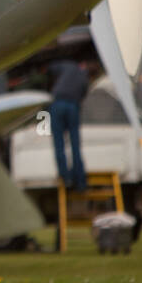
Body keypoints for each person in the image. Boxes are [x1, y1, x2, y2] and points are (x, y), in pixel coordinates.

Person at [47, 58, 90, 191]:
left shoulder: (68, 65)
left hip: (58, 103)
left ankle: (65, 178)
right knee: (75, 145)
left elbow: (51, 68)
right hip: (73, 106)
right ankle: (80, 181)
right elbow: (83, 96)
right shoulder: (85, 78)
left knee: (59, 143)